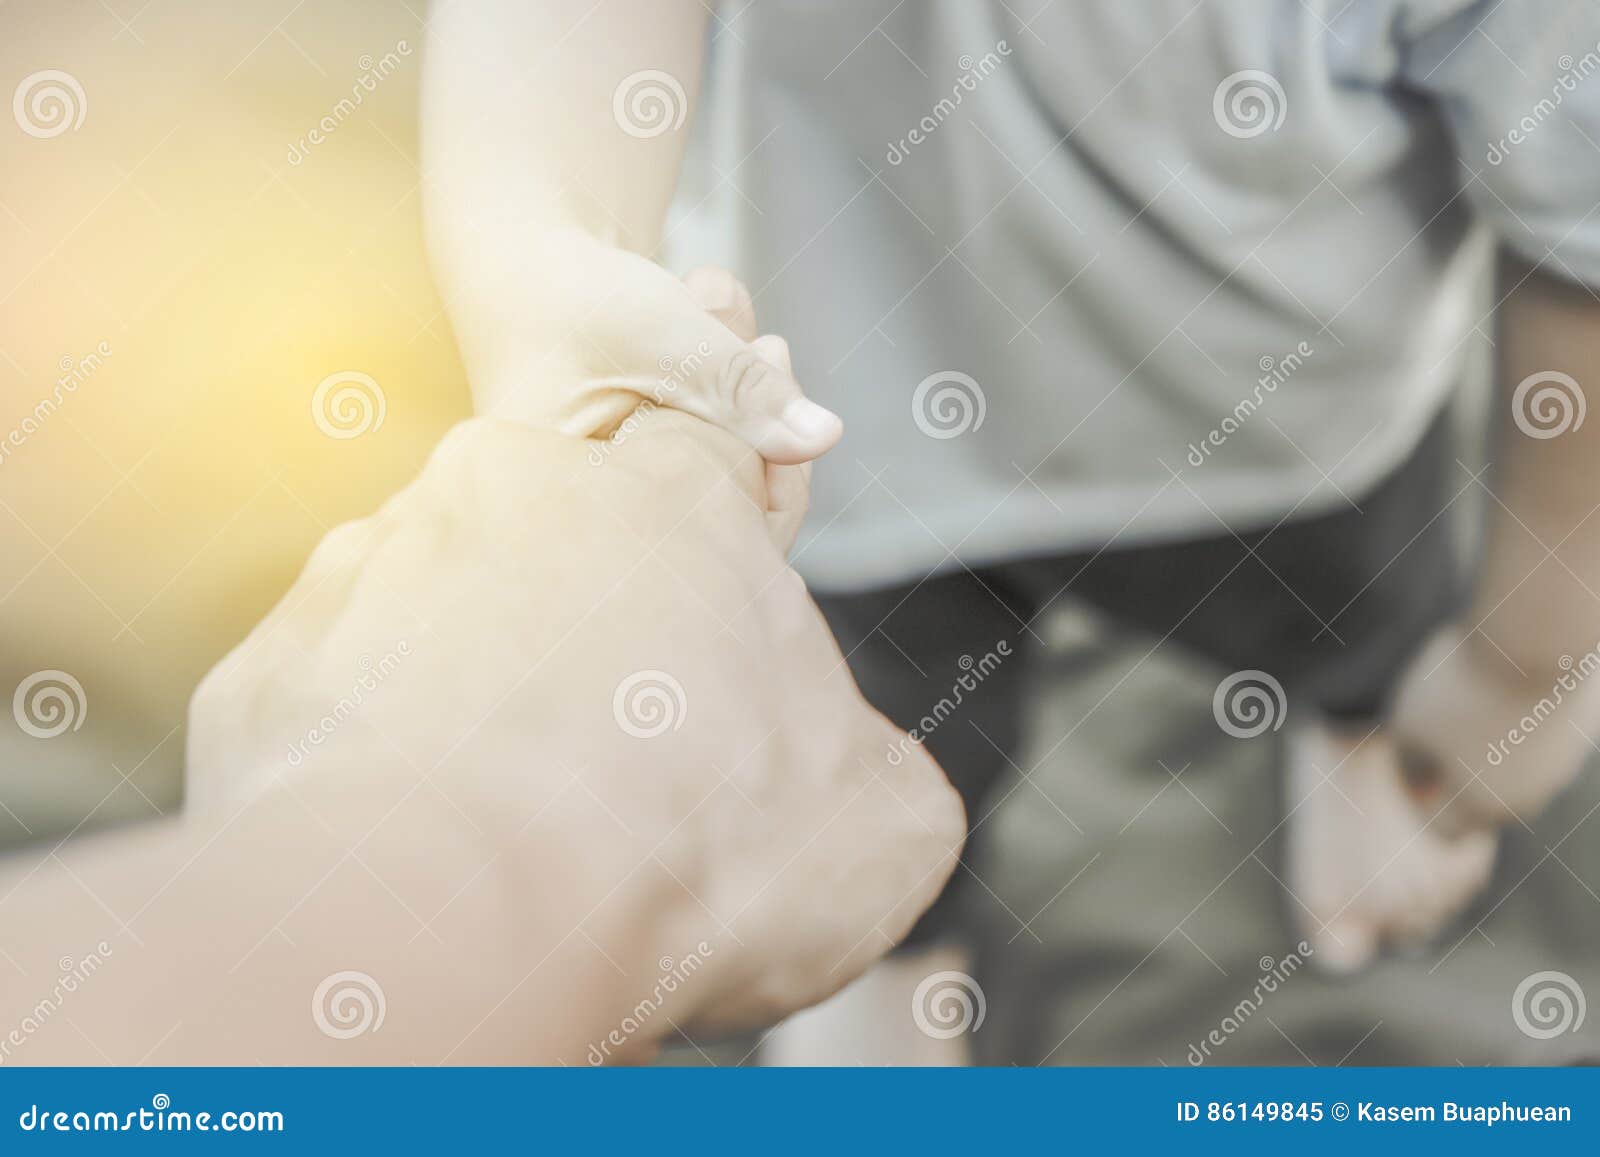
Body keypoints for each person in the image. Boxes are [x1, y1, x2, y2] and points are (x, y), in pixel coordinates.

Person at [419, 0, 1600, 1063]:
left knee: (1350, 618)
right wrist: (538, 239)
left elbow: (1577, 223)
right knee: (892, 737)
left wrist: (1521, 662)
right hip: (847, 408)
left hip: (1282, 436)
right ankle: (895, 947)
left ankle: (1359, 731)